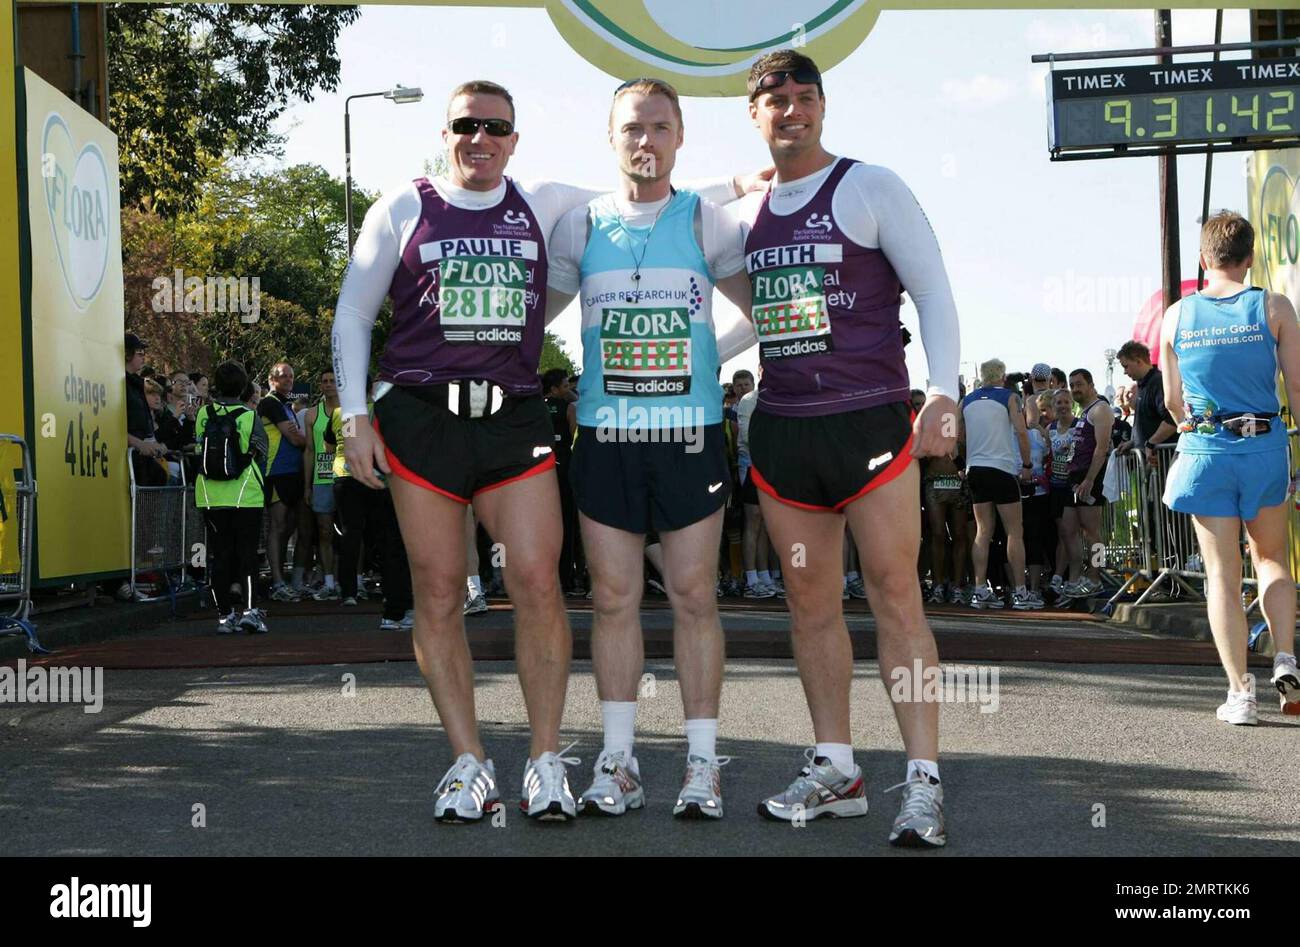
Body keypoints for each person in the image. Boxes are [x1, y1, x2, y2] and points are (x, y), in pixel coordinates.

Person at [332, 78, 770, 823]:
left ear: (514, 137)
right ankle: (468, 762)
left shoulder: (542, 200)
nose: (480, 137)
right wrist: (353, 415)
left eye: (495, 126)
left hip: (515, 421)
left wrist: (735, 183)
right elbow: (353, 311)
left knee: (537, 581)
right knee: (438, 594)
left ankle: (544, 760)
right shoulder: (403, 205)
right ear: (446, 133)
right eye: (466, 124)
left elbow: (645, 190)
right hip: (421, 418)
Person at [735, 51, 959, 846]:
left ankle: (924, 779)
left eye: (804, 97)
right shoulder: (743, 213)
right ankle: (837, 766)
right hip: (786, 431)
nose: (791, 110)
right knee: (810, 604)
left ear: (822, 108)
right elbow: (737, 312)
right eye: (775, 100)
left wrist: (943, 390)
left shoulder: (869, 186)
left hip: (868, 423)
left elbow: (931, 288)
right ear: (754, 115)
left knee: (897, 596)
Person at [545, 77, 759, 819]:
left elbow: (758, 314)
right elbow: (537, 318)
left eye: (661, 127)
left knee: (696, 596)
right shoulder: (582, 226)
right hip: (606, 437)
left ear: (679, 137)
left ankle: (702, 764)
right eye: (633, 127)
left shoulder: (707, 222)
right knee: (613, 599)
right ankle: (619, 761)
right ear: (612, 139)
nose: (646, 139)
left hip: (690, 434)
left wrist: (713, 357)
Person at [1160, 211, 1299, 723]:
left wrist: (1189, 422)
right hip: (1264, 447)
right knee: (1273, 560)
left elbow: (1173, 401)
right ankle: (1285, 654)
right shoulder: (1274, 306)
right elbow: (1298, 386)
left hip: (1206, 449)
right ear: (1250, 256)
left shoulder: (1175, 316)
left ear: (1204, 259)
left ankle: (1240, 694)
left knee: (1222, 574)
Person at [194, 361, 269, 634]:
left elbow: (199, 444)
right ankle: (250, 611)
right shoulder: (249, 415)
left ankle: (224, 616)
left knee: (220, 555)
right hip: (245, 494)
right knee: (247, 554)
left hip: (209, 495)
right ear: (243, 387)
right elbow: (262, 453)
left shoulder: (204, 413)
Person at [959, 359, 1037, 610]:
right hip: (1001, 468)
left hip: (976, 469)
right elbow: (1022, 432)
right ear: (1002, 376)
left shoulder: (966, 400)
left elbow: (955, 437)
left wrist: (962, 463)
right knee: (1015, 531)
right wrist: (1026, 466)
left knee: (983, 532)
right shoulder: (1010, 397)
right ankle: (1020, 592)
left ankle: (980, 589)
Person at [1056, 368, 1112, 600]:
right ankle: (1075, 578)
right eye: (1072, 385)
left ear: (1090, 384)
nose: (1075, 389)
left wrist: (1090, 479)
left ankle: (1096, 577)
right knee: (1069, 530)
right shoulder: (1085, 410)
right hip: (1074, 477)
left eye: (1079, 384)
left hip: (1090, 478)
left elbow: (1101, 448)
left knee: (1092, 533)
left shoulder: (1100, 409)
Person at [259, 362, 308, 601]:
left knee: (293, 525)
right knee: (278, 526)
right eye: (282, 377)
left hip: (293, 471)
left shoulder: (287, 406)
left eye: (291, 376)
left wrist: (301, 437)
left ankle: (290, 578)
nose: (288, 380)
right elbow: (295, 438)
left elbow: (298, 436)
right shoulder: (270, 403)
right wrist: (304, 439)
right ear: (272, 380)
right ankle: (277, 581)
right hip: (275, 471)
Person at [303, 369, 341, 601]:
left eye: (332, 381)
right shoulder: (312, 415)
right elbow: (308, 451)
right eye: (324, 381)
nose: (328, 385)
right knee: (324, 532)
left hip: (346, 478)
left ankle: (352, 580)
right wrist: (306, 486)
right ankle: (328, 581)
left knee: (349, 532)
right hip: (321, 479)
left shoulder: (350, 412)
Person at [1116, 340, 1178, 464]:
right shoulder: (1143, 386)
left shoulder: (1158, 383)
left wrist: (1151, 443)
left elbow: (1172, 419)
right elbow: (1149, 425)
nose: (1125, 372)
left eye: (1126, 366)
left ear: (1139, 361)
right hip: (1151, 463)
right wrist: (1134, 442)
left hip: (1163, 462)